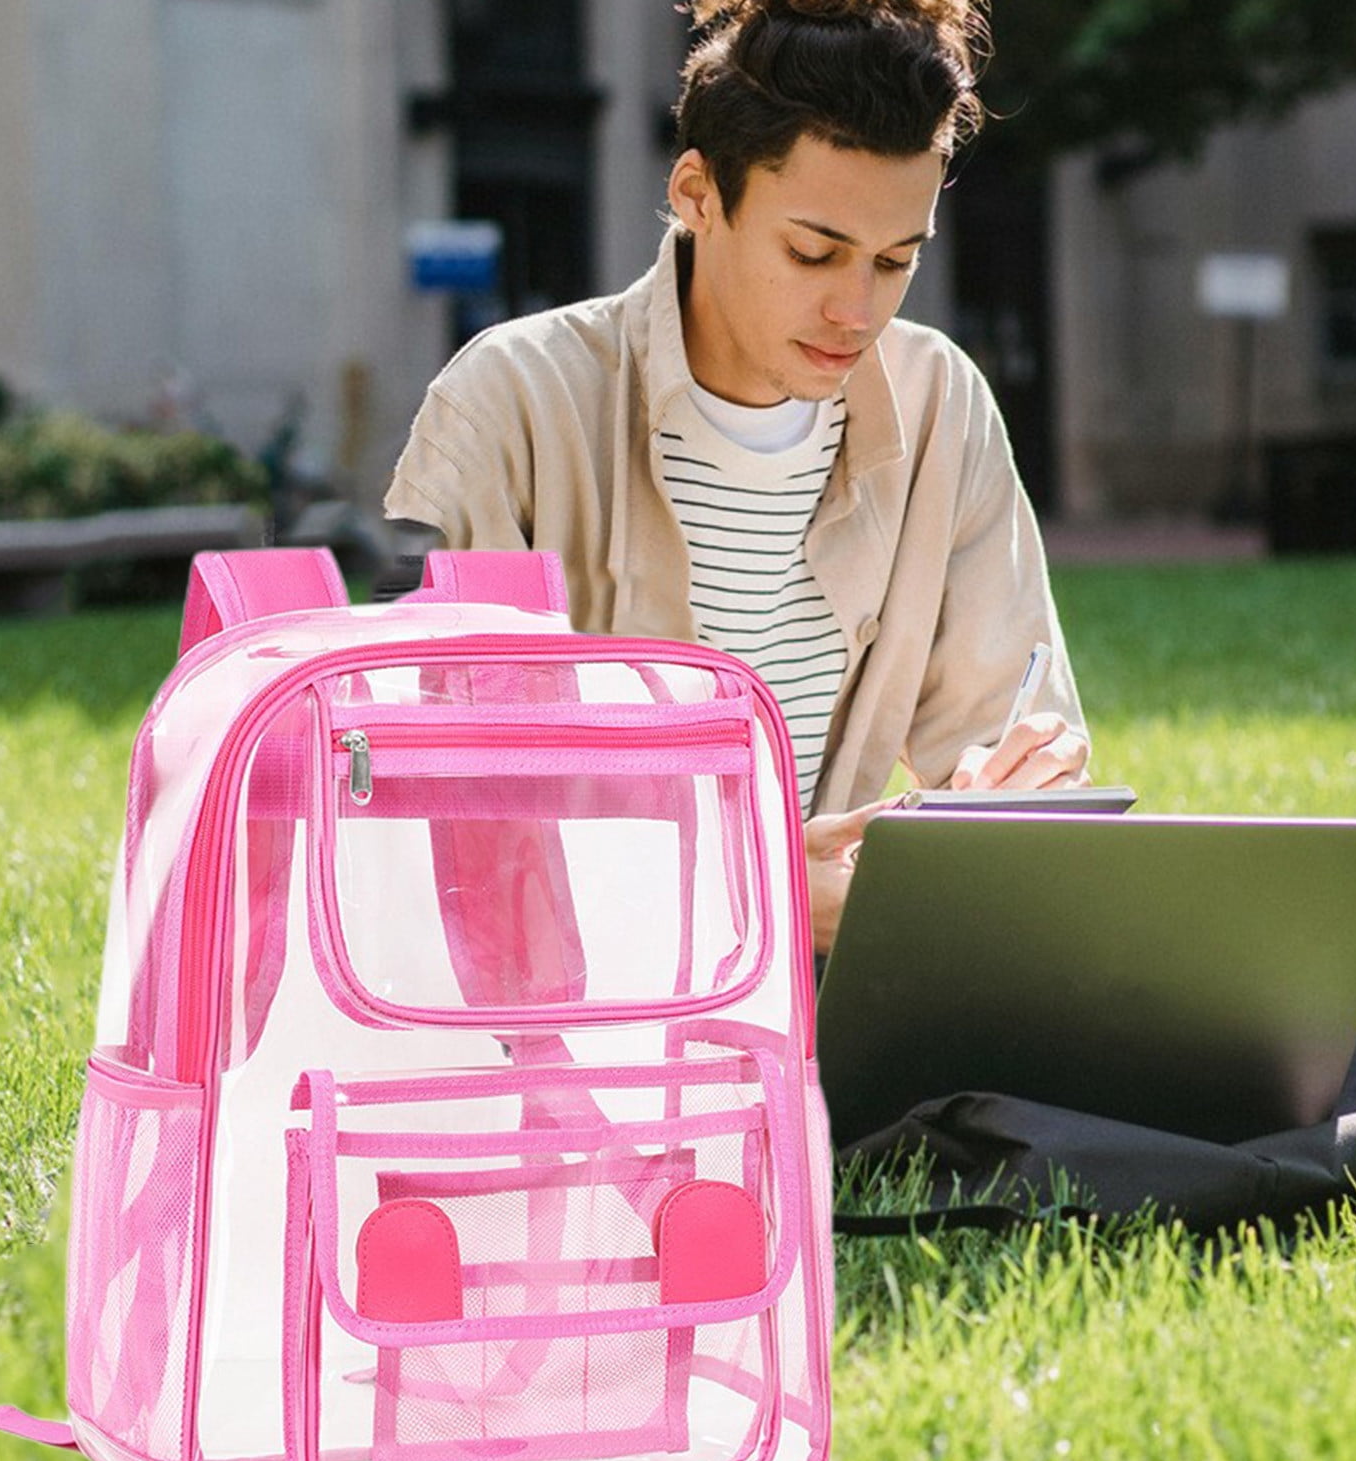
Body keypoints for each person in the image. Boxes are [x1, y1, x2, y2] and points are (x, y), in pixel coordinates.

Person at [385, 0, 1090, 953]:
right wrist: (759, 896)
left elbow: (1011, 730)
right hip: (582, 1013)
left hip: (851, 982)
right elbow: (461, 821)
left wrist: (1008, 796)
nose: (856, 308)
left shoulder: (938, 403)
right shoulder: (511, 401)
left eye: (896, 261)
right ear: (696, 193)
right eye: (813, 252)